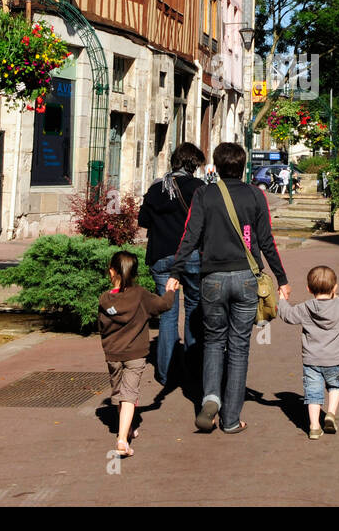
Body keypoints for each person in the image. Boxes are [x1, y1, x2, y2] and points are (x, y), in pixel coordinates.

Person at [169, 141, 290, 434]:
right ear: (243, 166)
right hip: (247, 279)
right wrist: (282, 279)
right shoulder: (255, 196)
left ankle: (210, 399)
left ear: (217, 167)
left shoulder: (204, 194)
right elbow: (265, 241)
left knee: (212, 342)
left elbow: (190, 235)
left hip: (212, 279)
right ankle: (232, 418)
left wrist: (176, 271)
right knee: (238, 348)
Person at [137, 142, 205, 387]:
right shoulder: (199, 188)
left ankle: (165, 373)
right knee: (194, 311)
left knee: (167, 315)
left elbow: (143, 220)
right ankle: (193, 368)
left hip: (162, 256)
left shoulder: (157, 188)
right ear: (193, 164)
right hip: (192, 256)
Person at [98, 251, 177, 457]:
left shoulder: (105, 300)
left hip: (114, 354)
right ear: (135, 273)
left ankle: (128, 429)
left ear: (111, 271)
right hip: (135, 354)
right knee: (129, 395)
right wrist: (170, 291)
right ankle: (122, 440)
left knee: (121, 393)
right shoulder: (141, 295)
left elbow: (102, 327)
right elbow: (163, 306)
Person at [278, 265, 339, 440]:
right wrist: (338, 298)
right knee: (335, 386)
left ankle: (313, 426)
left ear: (309, 289)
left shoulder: (306, 307)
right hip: (335, 358)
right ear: (335, 287)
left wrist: (282, 300)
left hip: (312, 360)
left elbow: (288, 316)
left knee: (313, 393)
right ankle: (331, 413)